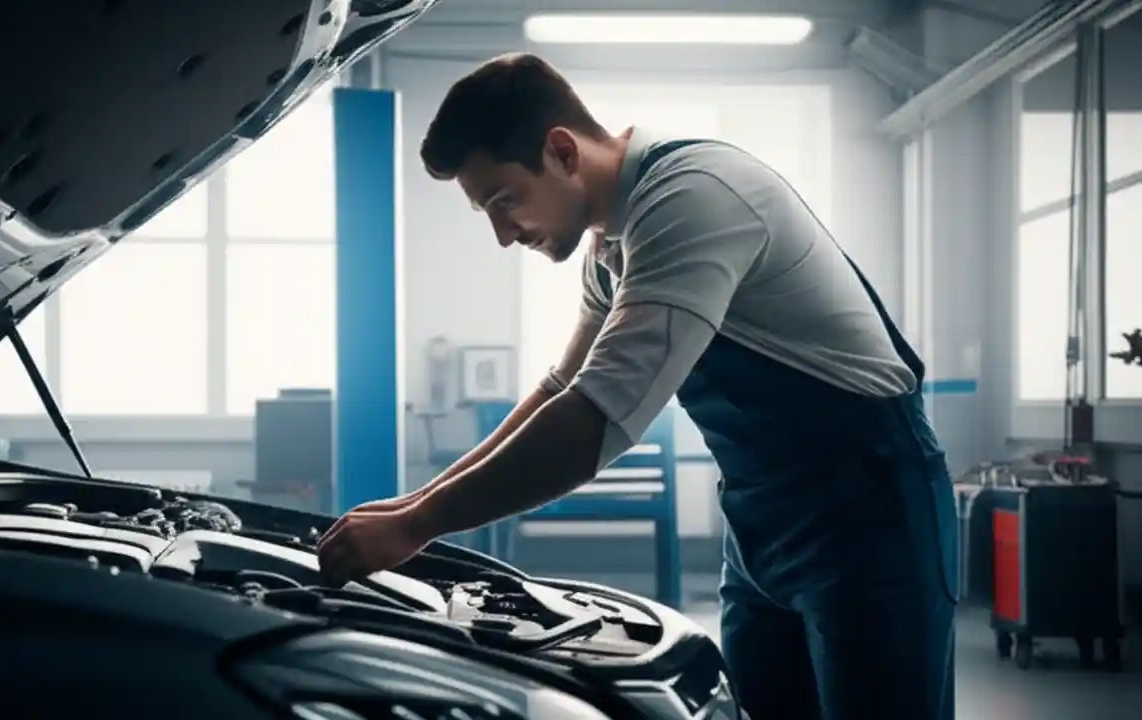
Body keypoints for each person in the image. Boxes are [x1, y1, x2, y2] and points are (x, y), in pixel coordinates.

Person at [317, 53, 958, 720]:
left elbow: (597, 416)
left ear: (561, 151)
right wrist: (409, 507)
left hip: (870, 514)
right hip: (763, 526)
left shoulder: (693, 197)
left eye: (504, 201)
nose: (504, 235)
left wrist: (421, 524)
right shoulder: (610, 245)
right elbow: (562, 385)